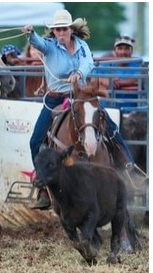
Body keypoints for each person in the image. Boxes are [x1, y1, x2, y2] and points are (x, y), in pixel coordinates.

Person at [22, 10, 134, 209]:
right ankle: (43, 188)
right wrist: (30, 34)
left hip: (80, 96)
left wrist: (79, 73)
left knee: (111, 128)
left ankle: (128, 168)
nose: (60, 32)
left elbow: (88, 62)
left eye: (64, 28)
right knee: (35, 140)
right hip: (56, 98)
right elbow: (37, 42)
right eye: (57, 29)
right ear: (54, 31)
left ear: (71, 29)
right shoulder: (49, 47)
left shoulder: (81, 46)